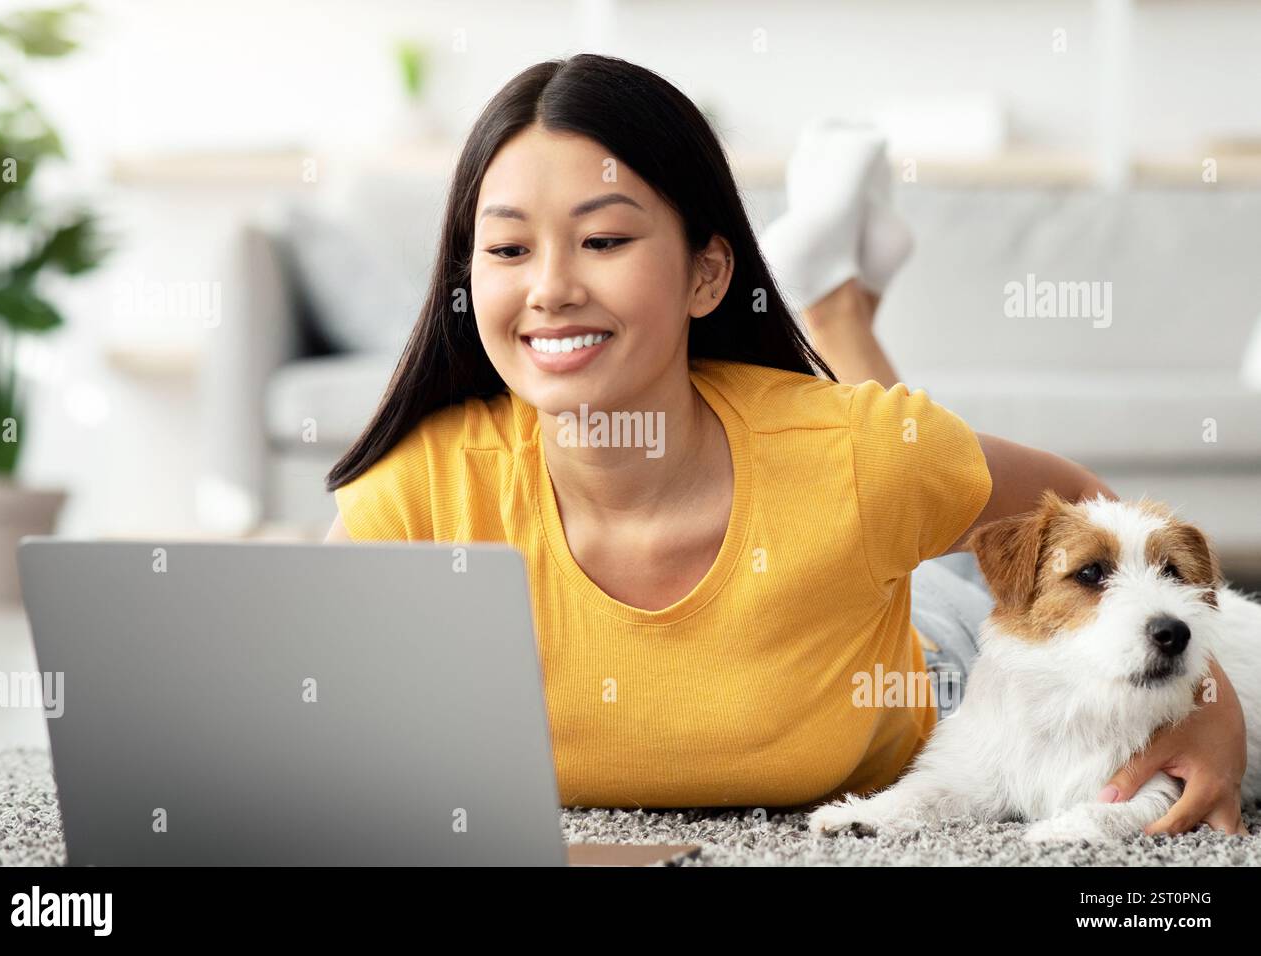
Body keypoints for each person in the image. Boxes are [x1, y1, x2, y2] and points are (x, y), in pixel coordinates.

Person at [323, 53, 1246, 834]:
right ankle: (837, 304)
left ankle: (836, 308)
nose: (551, 288)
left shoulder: (868, 456)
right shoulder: (419, 494)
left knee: (925, 538)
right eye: (509, 250)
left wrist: (1209, 705)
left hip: (929, 656)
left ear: (706, 272)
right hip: (842, 528)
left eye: (602, 240)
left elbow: (1091, 522)